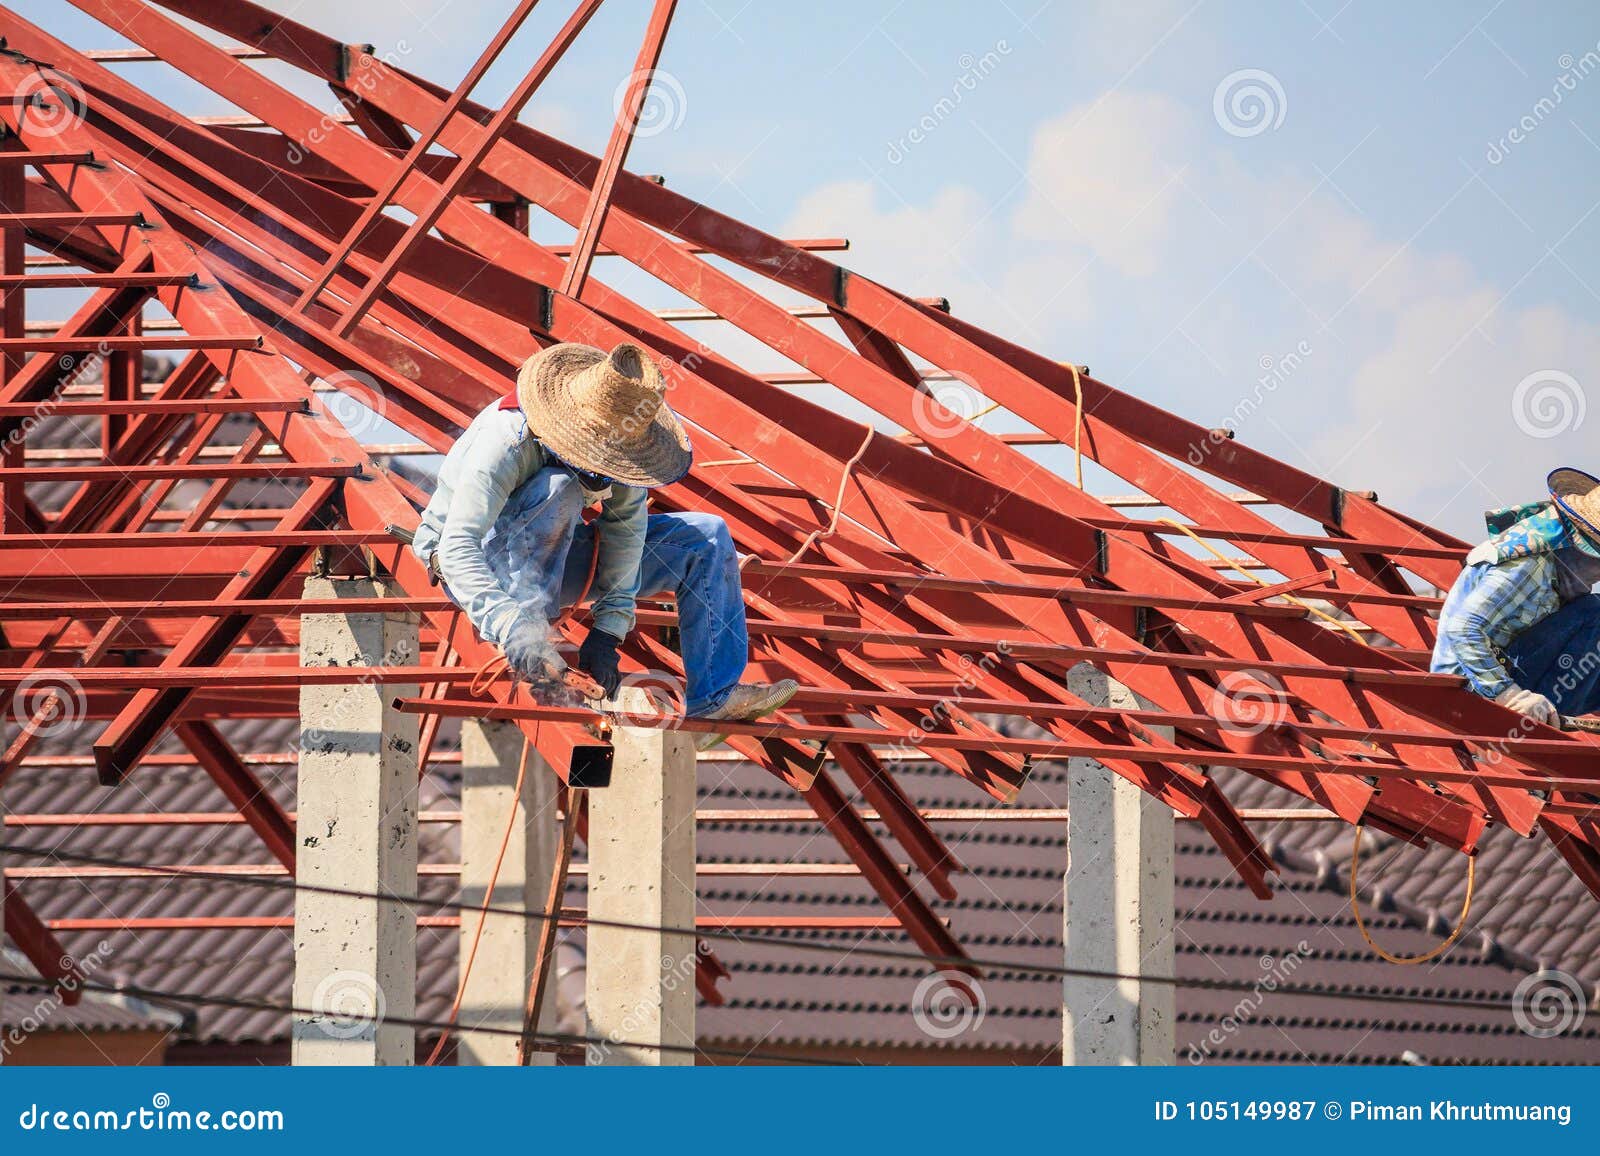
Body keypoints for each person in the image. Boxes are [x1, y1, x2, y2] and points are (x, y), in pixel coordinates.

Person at [412, 340, 797, 741]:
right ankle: (532, 639)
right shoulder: (506, 441)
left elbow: (625, 534)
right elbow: (457, 548)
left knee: (707, 537)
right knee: (558, 488)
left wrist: (608, 631)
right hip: (480, 570)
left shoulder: (625, 446)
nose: (604, 476)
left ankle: (713, 698)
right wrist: (515, 630)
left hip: (554, 552)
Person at [1431, 467, 1600, 725]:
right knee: (1593, 614)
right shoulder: (1528, 567)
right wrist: (1510, 696)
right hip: (1471, 689)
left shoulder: (1553, 569)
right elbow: (1463, 628)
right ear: (1581, 546)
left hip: (1500, 674)